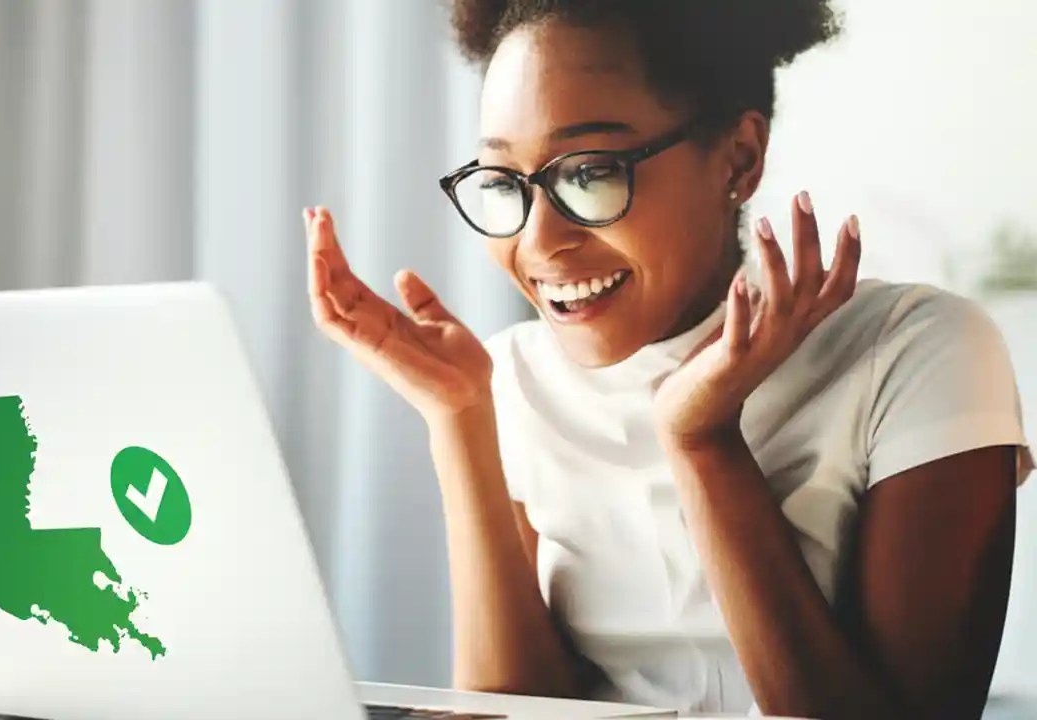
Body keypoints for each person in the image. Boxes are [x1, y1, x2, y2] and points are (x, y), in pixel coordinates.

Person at [303, 1, 1033, 716]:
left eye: (588, 174)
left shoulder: (914, 351)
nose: (541, 241)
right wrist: (459, 414)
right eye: (503, 183)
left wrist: (701, 439)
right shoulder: (514, 379)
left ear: (739, 158)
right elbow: (512, 709)